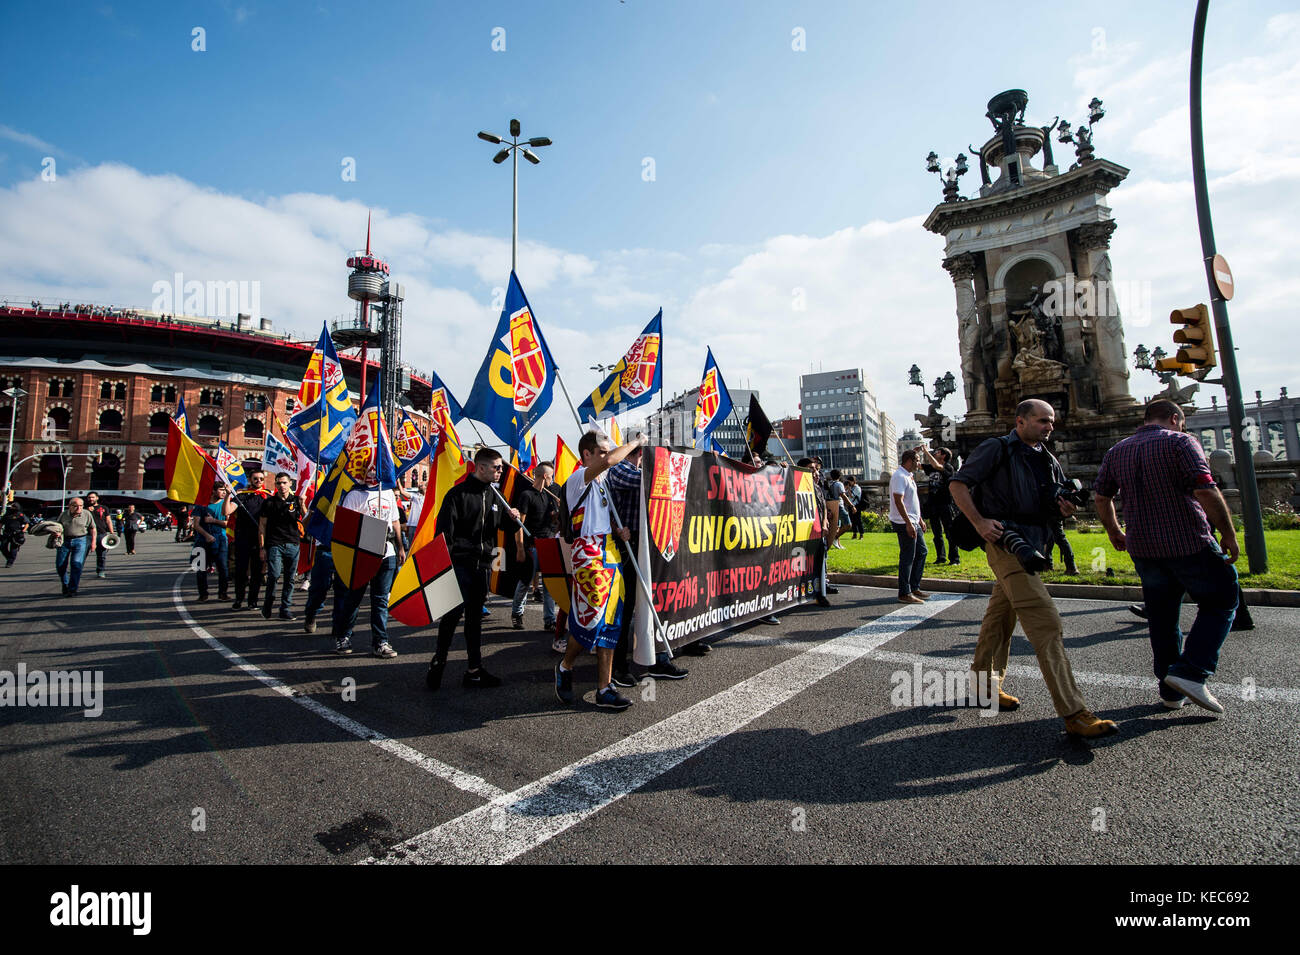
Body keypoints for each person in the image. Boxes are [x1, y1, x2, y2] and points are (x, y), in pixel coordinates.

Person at [949, 398, 1118, 738]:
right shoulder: (996, 448)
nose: (1049, 426)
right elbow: (958, 484)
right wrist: (980, 522)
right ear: (1021, 421)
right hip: (1005, 543)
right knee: (1047, 623)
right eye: (1042, 421)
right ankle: (1074, 712)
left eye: (1051, 421)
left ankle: (983, 685)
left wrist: (1064, 508)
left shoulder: (1048, 459)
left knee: (1000, 617)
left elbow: (1051, 507)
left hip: (1033, 546)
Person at [1093, 399, 1240, 714]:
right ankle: (1192, 671)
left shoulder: (1116, 451)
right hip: (1187, 541)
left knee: (1162, 616)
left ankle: (1170, 692)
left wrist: (1114, 532)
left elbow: (1102, 496)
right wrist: (1227, 532)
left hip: (1143, 547)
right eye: (1182, 422)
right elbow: (1205, 490)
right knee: (1222, 599)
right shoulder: (1181, 442)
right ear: (1175, 418)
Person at [554, 431, 647, 711]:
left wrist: (619, 531)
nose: (608, 456)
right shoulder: (577, 479)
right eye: (603, 452)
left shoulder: (602, 484)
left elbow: (601, 517)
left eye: (609, 451)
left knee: (611, 623)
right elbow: (610, 464)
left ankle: (604, 688)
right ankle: (565, 665)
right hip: (588, 554)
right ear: (587, 455)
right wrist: (636, 442)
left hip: (610, 551)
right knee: (590, 620)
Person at [426, 447, 522, 690]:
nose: (501, 471)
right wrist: (448, 565)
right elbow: (444, 534)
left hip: (482, 566)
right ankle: (439, 662)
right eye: (497, 467)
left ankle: (474, 670)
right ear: (481, 467)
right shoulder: (457, 494)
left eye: (501, 468)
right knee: (450, 618)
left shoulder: (494, 496)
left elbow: (503, 529)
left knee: (474, 621)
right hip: (459, 566)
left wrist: (514, 518)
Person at [606, 443, 689, 687]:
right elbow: (651, 483)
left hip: (651, 550)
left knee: (656, 606)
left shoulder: (642, 470)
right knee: (627, 607)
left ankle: (657, 660)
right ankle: (618, 667)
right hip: (628, 550)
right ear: (639, 453)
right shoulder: (619, 470)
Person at [331, 483, 406, 658]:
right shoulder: (355, 495)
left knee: (380, 600)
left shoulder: (387, 492)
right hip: (363, 553)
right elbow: (347, 525)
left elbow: (394, 521)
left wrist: (400, 547)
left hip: (387, 552)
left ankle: (380, 641)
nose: (373, 472)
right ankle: (343, 636)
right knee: (354, 597)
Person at [510, 462, 559, 635]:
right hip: (532, 546)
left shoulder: (548, 496)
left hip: (548, 544)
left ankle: (550, 620)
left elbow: (553, 522)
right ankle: (517, 613)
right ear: (545, 476)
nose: (552, 480)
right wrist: (520, 548)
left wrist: (559, 514)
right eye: (551, 476)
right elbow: (519, 524)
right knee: (524, 583)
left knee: (549, 585)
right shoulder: (526, 495)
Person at [258, 472, 303, 620]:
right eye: (278, 483)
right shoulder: (269, 502)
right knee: (274, 575)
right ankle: (268, 603)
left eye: (284, 482)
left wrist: (302, 505)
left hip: (293, 543)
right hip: (275, 543)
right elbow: (262, 526)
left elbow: (308, 520)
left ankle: (285, 608)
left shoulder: (296, 501)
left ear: (290, 483)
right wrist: (262, 547)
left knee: (290, 578)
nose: (281, 486)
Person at [889, 449, 929, 604]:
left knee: (921, 552)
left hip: (913, 520)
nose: (919, 464)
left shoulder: (908, 475)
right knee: (908, 556)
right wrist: (908, 523)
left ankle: (913, 586)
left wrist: (919, 519)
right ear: (909, 460)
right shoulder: (899, 476)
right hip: (903, 522)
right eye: (917, 460)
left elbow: (912, 501)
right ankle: (904, 592)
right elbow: (899, 501)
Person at [231, 470, 269, 610]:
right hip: (243, 538)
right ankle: (239, 598)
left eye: (260, 478)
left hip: (260, 540)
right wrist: (228, 496)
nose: (258, 481)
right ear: (250, 480)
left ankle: (253, 601)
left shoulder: (268, 497)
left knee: (257, 572)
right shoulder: (241, 496)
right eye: (255, 478)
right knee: (240, 571)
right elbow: (227, 511)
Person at [190, 484, 232, 602]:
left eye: (225, 490)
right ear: (213, 491)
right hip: (202, 541)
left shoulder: (225, 504)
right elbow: (196, 525)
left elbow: (228, 523)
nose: (224, 492)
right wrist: (207, 536)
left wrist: (214, 520)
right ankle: (203, 594)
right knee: (200, 569)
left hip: (221, 540)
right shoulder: (201, 506)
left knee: (223, 568)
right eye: (221, 490)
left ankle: (223, 593)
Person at [922, 447, 961, 567]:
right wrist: (916, 451)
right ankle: (941, 557)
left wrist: (925, 451)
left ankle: (955, 559)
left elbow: (937, 465)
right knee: (936, 533)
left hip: (945, 503)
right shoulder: (931, 468)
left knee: (950, 532)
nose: (935, 453)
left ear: (943, 456)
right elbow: (917, 465)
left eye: (938, 452)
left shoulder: (948, 467)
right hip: (933, 504)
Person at [55, 497, 96, 596]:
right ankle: (65, 584)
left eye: (81, 506)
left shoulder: (86, 514)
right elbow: (57, 527)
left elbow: (93, 528)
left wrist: (94, 542)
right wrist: (57, 533)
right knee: (60, 565)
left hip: (80, 540)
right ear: (69, 506)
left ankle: (72, 589)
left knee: (76, 564)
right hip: (65, 541)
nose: (79, 508)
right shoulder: (64, 514)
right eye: (75, 506)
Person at [85, 491, 115, 578]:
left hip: (101, 534)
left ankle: (100, 571)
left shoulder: (104, 508)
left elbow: (108, 521)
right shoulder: (83, 508)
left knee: (101, 555)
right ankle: (77, 571)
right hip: (87, 535)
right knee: (83, 554)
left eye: (93, 497)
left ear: (97, 498)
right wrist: (86, 510)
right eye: (89, 497)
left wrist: (111, 533)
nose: (91, 499)